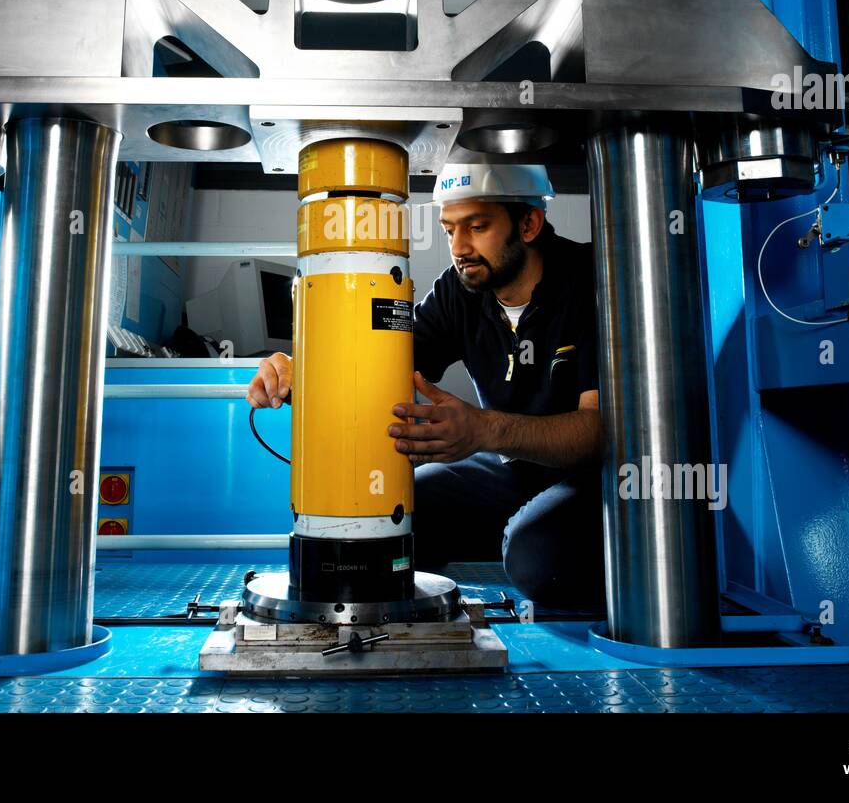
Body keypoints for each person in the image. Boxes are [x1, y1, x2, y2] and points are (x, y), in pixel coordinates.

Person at [247, 163, 605, 609]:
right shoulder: (460, 291)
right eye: (449, 229)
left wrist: (482, 430)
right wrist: (298, 371)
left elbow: (597, 434)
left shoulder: (593, 282)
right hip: (513, 468)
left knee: (536, 555)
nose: (460, 248)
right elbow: (380, 363)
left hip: (595, 479)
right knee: (394, 513)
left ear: (529, 223)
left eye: (477, 227)